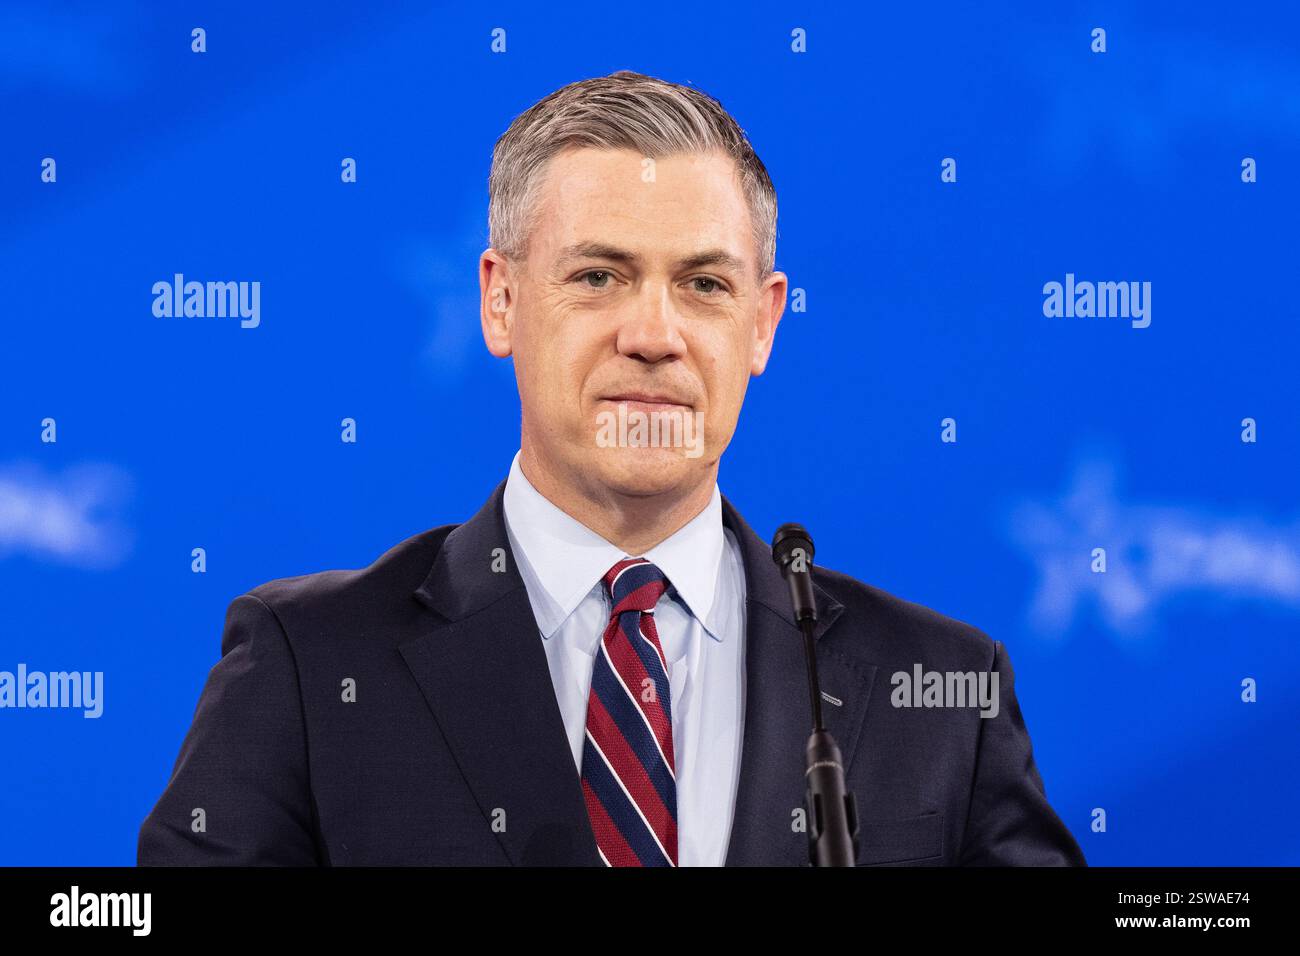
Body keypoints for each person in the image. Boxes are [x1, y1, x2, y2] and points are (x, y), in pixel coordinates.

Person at [137, 70, 1085, 867]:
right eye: (598, 277)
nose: (653, 336)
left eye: (704, 286)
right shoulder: (309, 669)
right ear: (501, 302)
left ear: (762, 324)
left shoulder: (945, 691)